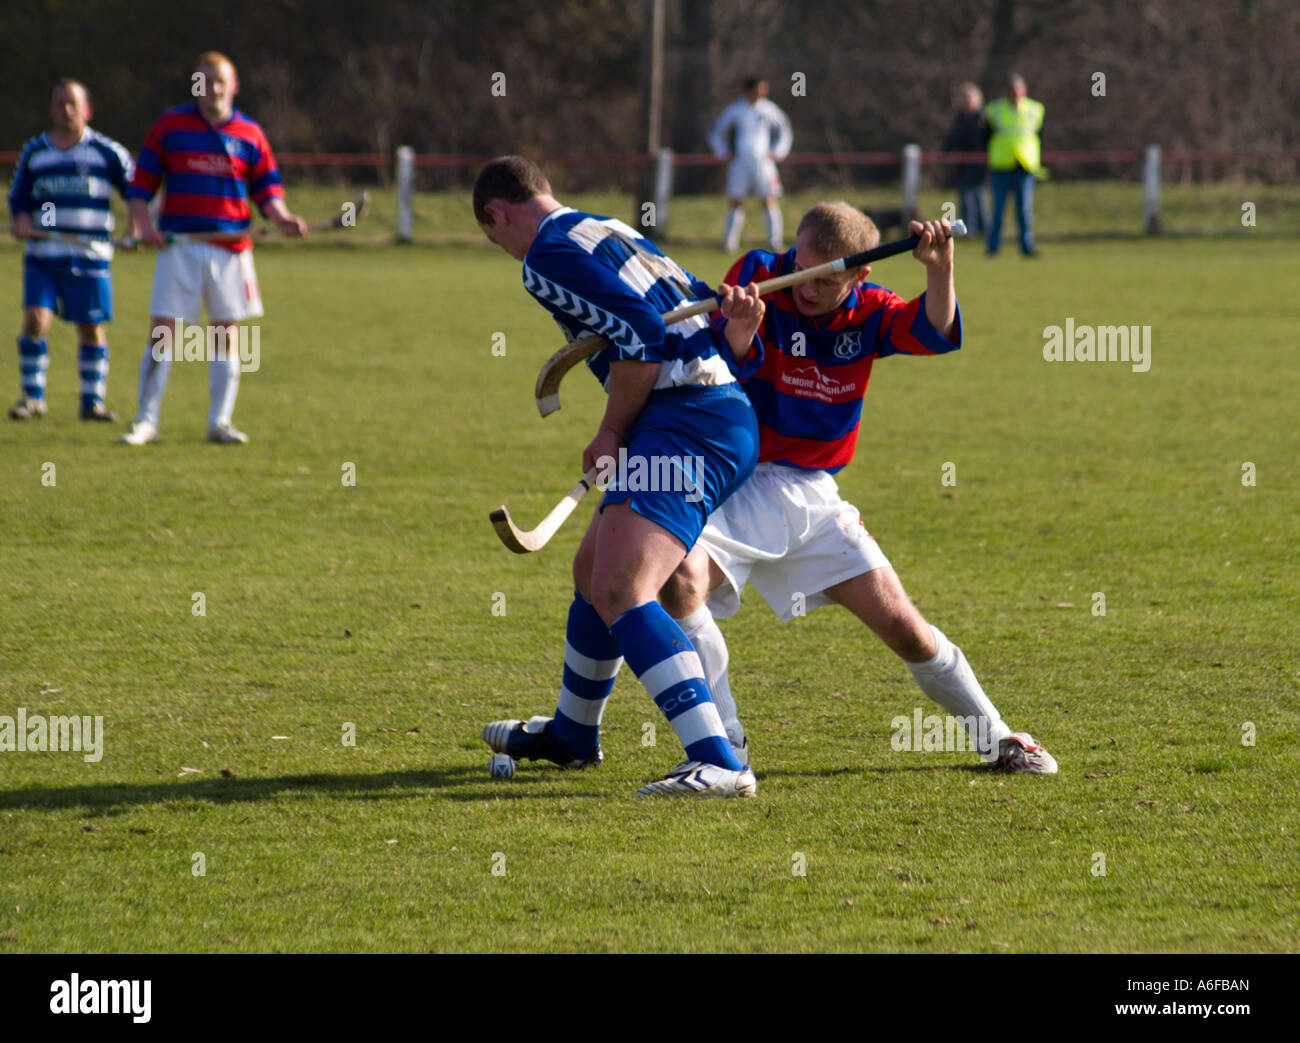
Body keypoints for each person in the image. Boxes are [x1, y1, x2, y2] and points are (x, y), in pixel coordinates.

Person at [654, 202, 1057, 774]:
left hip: (814, 496)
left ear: (860, 275)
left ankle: (998, 738)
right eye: (802, 268)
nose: (808, 289)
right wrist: (740, 333)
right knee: (679, 581)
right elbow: (714, 368)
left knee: (907, 631)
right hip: (739, 482)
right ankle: (726, 749)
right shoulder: (761, 273)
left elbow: (935, 331)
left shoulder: (871, 310)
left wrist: (939, 269)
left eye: (827, 280)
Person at [473, 155, 765, 798]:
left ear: (497, 214)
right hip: (705, 413)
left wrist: (609, 432)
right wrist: (739, 330)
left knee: (624, 586)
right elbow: (703, 311)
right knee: (593, 572)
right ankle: (574, 734)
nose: (503, 249)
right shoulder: (608, 228)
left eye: (495, 238)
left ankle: (718, 761)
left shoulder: (544, 255)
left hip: (691, 423)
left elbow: (639, 339)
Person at [120, 51, 306, 445]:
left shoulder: (251, 134)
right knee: (164, 334)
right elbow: (141, 185)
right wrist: (143, 225)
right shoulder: (171, 126)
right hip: (179, 246)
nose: (213, 89)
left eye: (220, 81)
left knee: (226, 334)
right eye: (204, 81)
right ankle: (145, 421)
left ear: (234, 85)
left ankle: (219, 422)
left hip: (230, 249)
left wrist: (283, 218)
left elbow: (267, 190)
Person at [7, 80, 133, 422]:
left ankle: (91, 402)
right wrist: (21, 219)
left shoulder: (106, 152)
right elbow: (19, 197)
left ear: (87, 110)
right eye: (60, 103)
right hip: (44, 256)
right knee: (35, 319)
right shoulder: (36, 152)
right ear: (51, 109)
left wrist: (137, 227)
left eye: (73, 104)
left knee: (90, 327)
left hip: (89, 257)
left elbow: (137, 193)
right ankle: (32, 398)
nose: (66, 110)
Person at [708, 76, 793, 253]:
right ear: (749, 90)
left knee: (768, 200)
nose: (762, 93)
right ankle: (730, 242)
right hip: (740, 162)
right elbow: (716, 132)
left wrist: (777, 152)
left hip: (763, 162)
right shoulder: (735, 110)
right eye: (759, 89)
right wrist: (723, 153)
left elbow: (785, 130)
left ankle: (774, 241)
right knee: (736, 201)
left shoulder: (769, 109)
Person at [984, 73, 1044, 257]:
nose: (1015, 93)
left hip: (1024, 166)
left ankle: (1027, 246)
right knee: (998, 210)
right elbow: (984, 134)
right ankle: (993, 247)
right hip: (1001, 165)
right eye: (1011, 89)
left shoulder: (1035, 109)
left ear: (1023, 90)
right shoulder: (994, 109)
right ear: (1006, 92)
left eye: (1017, 89)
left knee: (1024, 210)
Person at [941, 82, 990, 237]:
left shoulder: (984, 118)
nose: (966, 101)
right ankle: (973, 228)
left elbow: (989, 139)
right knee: (968, 193)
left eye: (968, 98)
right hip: (963, 163)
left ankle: (978, 228)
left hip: (980, 163)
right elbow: (952, 138)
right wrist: (946, 152)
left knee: (975, 193)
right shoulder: (960, 119)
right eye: (963, 98)